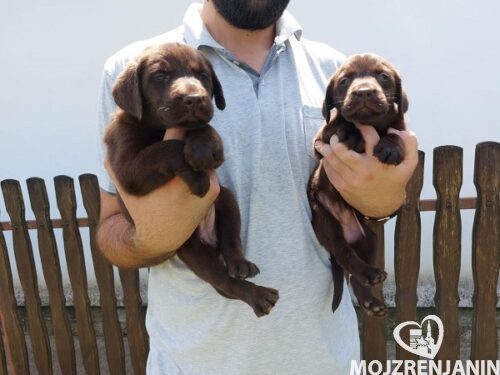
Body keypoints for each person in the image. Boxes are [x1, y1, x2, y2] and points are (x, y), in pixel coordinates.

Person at [96, 1, 418, 373]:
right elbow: (110, 227)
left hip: (324, 358)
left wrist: (384, 201)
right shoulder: (132, 68)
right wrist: (150, 239)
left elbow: (371, 198)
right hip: (197, 360)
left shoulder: (335, 71)